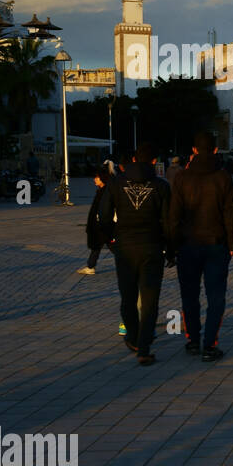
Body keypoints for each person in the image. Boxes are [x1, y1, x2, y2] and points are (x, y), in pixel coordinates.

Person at [97, 143, 173, 365]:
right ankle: (144, 348)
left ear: (132, 161)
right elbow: (169, 222)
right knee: (149, 300)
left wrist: (111, 240)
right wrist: (170, 250)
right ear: (153, 162)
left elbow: (103, 216)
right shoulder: (161, 186)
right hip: (151, 248)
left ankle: (132, 336)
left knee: (127, 297)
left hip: (125, 248)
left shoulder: (115, 183)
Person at [169, 131, 233, 362]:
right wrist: (232, 243)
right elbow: (230, 212)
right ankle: (210, 345)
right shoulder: (223, 177)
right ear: (216, 150)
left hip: (188, 245)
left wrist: (172, 244)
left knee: (189, 296)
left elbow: (174, 215)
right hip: (216, 244)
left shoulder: (181, 178)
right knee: (216, 297)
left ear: (194, 151)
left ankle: (192, 341)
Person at [78, 168, 113, 275]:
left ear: (102, 178)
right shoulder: (101, 190)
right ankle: (90, 266)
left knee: (106, 245)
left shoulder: (106, 191)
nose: (94, 179)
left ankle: (91, 266)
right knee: (98, 246)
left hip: (102, 224)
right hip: (100, 224)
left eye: (96, 177)